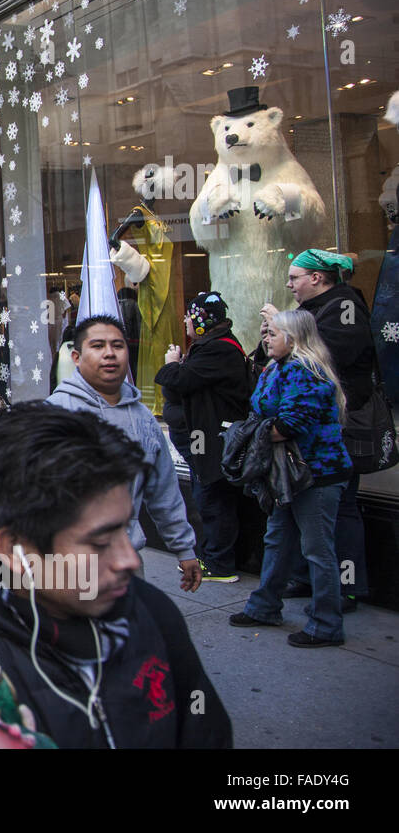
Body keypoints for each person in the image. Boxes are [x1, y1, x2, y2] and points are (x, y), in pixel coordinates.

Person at [0, 402, 233, 748]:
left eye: (125, 529)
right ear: (17, 550)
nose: (129, 559)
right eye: (100, 543)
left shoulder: (150, 612)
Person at [46, 315, 202, 592]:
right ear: (76, 357)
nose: (109, 353)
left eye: (117, 345)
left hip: (125, 566)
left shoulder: (143, 418)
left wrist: (184, 549)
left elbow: (163, 490)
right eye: (97, 345)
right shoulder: (54, 413)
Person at [259, 248, 375, 611]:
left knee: (340, 512)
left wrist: (284, 326)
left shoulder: (344, 306)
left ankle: (346, 588)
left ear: (316, 278)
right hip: (312, 439)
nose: (288, 284)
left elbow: (326, 360)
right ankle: (309, 581)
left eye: (294, 277)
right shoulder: (313, 311)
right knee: (306, 520)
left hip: (343, 425)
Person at [231, 310, 352, 647]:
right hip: (289, 473)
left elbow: (288, 426)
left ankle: (326, 624)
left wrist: (245, 435)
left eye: (273, 333)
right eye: (265, 332)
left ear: (294, 337)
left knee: (317, 550)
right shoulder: (277, 367)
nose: (266, 338)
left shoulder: (305, 370)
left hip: (317, 474)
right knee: (278, 539)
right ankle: (264, 606)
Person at [154, 292, 251, 582]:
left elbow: (179, 381)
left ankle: (219, 564)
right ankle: (215, 558)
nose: (185, 320)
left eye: (189, 315)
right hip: (204, 439)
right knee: (209, 496)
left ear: (202, 319)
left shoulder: (217, 350)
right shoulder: (211, 347)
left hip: (212, 441)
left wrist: (172, 363)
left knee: (213, 498)